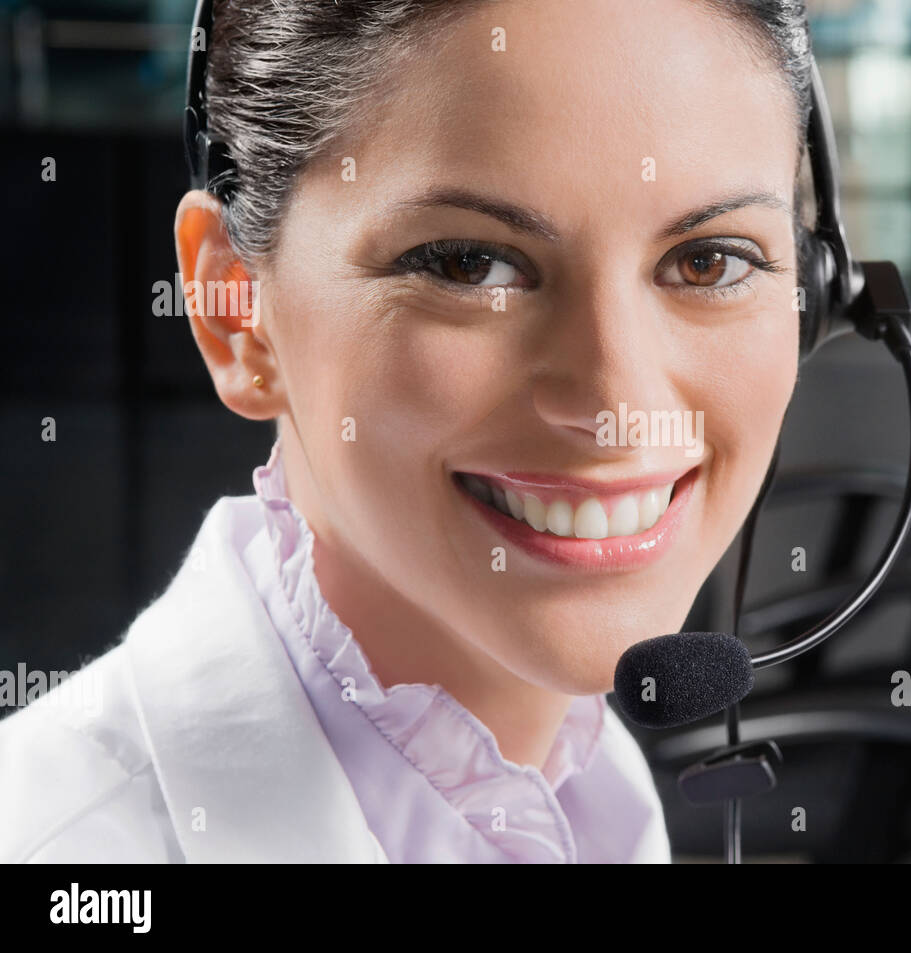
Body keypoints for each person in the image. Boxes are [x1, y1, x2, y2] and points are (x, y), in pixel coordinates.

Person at [0, 0, 817, 862]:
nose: (617, 400)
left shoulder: (595, 798)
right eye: (471, 263)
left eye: (709, 261)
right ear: (237, 308)